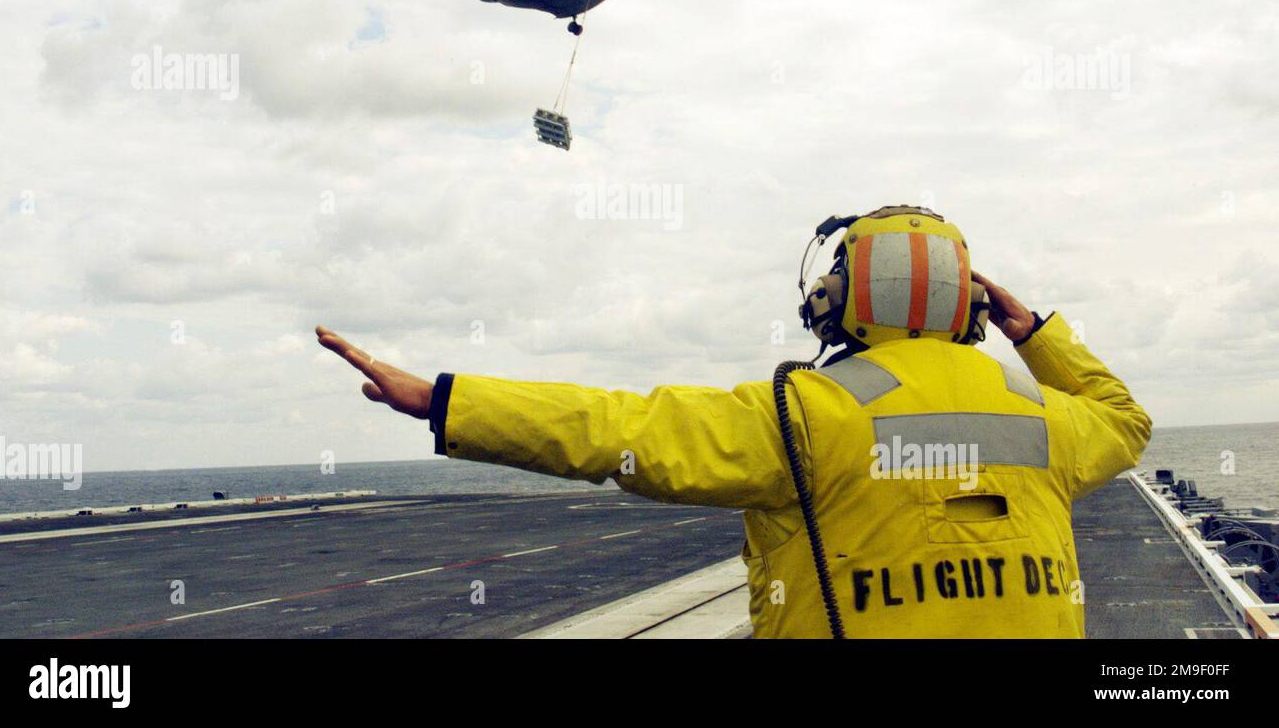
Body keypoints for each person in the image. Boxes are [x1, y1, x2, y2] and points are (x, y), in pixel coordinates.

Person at [317, 205, 1150, 638]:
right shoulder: (1049, 416)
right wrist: (1035, 332)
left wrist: (445, 401)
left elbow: (614, 428)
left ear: (835, 302)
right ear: (969, 305)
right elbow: (1126, 418)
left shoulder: (803, 414)